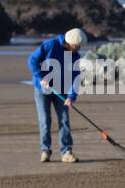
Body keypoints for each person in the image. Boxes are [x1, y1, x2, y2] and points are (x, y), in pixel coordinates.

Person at [28, 28, 87, 163]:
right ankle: (45, 150)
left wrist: (71, 97)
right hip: (42, 89)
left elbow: (75, 77)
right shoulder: (51, 45)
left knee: (64, 120)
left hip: (61, 90)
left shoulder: (75, 56)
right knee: (45, 121)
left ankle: (66, 151)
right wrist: (41, 77)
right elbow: (32, 60)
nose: (78, 49)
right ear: (70, 42)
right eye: (77, 46)